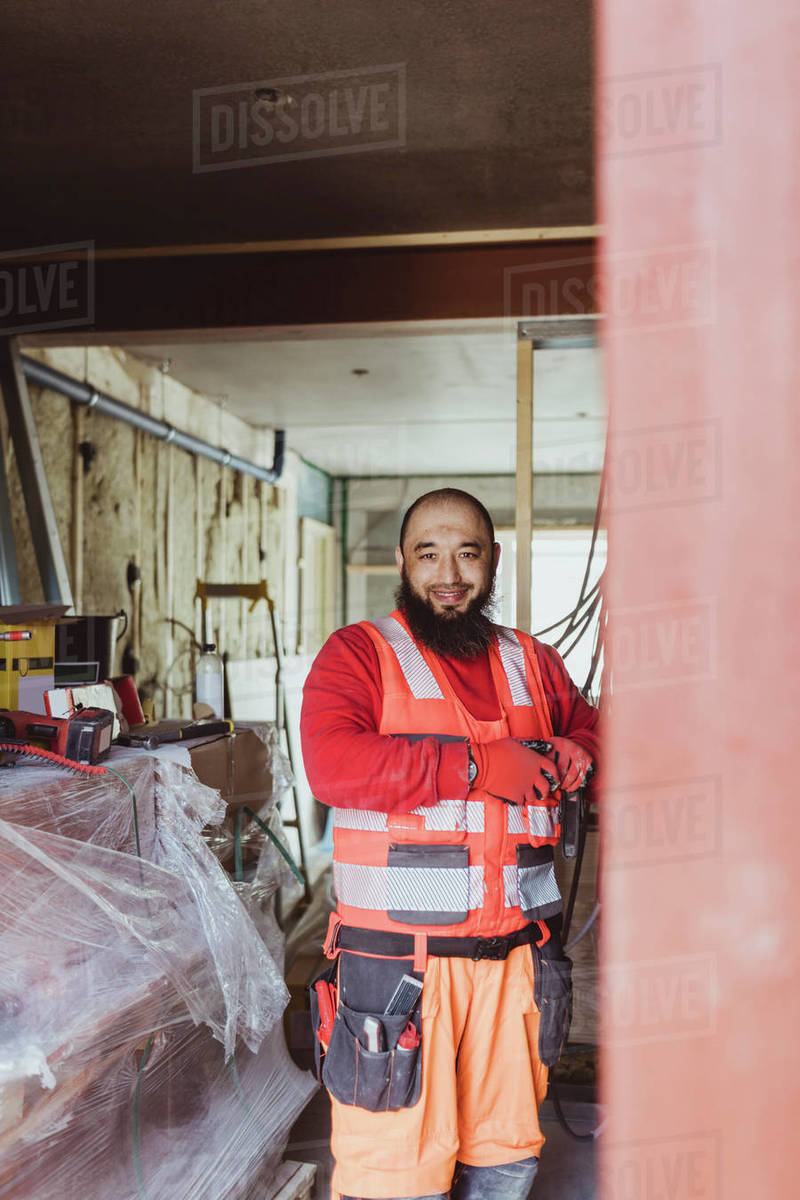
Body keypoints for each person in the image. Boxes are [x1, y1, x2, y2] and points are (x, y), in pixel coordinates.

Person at [300, 488, 600, 1200]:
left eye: (467, 553)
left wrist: (577, 750)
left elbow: (600, 733)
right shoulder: (360, 655)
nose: (450, 574)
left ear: (491, 561)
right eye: (429, 553)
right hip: (402, 975)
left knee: (504, 1161)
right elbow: (333, 763)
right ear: (403, 562)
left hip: (517, 969)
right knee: (395, 1175)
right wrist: (476, 765)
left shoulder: (534, 661)